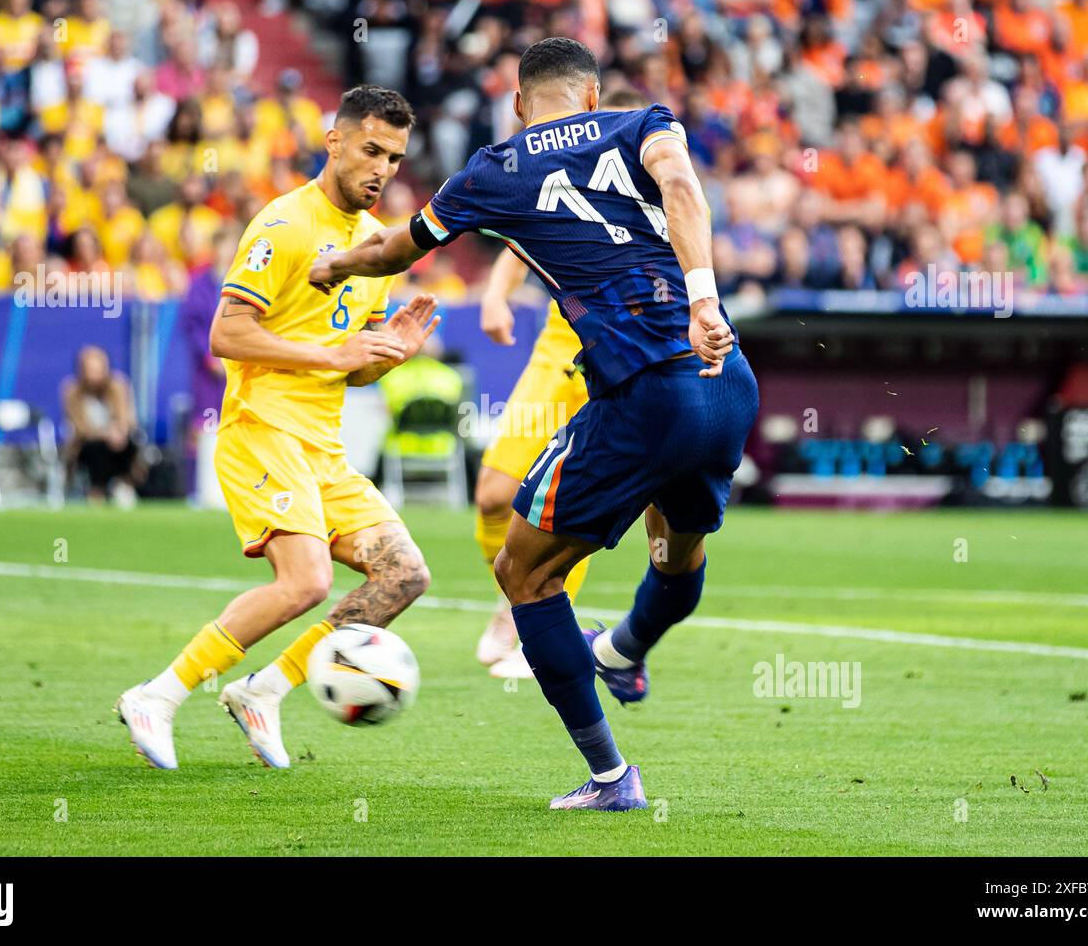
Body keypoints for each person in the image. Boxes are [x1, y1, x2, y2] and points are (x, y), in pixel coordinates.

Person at [310, 40, 756, 811]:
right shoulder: (643, 122)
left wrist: (337, 266)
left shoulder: (493, 168)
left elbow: (395, 250)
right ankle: (622, 651)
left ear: (519, 104)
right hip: (726, 381)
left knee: (523, 573)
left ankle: (613, 779)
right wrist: (705, 298)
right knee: (677, 556)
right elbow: (682, 185)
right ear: (590, 96)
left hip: (645, 396)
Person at [116, 86, 440, 771]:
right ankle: (159, 695)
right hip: (261, 428)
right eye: (371, 150)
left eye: (395, 157)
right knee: (305, 581)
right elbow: (227, 334)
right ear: (336, 141)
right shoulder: (285, 224)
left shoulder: (374, 249)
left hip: (322, 445)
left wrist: (384, 358)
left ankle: (263, 690)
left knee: (404, 575)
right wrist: (337, 355)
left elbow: (348, 370)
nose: (381, 168)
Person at [473, 87, 650, 680]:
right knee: (494, 495)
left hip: (619, 361)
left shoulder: (655, 183)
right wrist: (497, 294)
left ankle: (549, 624)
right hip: (556, 353)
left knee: (574, 512)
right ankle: (513, 602)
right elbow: (525, 229)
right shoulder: (566, 163)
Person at [61, 345, 141, 506]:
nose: (96, 374)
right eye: (91, 370)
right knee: (95, 448)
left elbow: (126, 418)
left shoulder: (118, 386)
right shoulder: (72, 391)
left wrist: (119, 431)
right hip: (87, 444)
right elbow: (80, 427)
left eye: (99, 369)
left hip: (117, 443)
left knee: (128, 443)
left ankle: (123, 485)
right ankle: (96, 490)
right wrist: (105, 434)